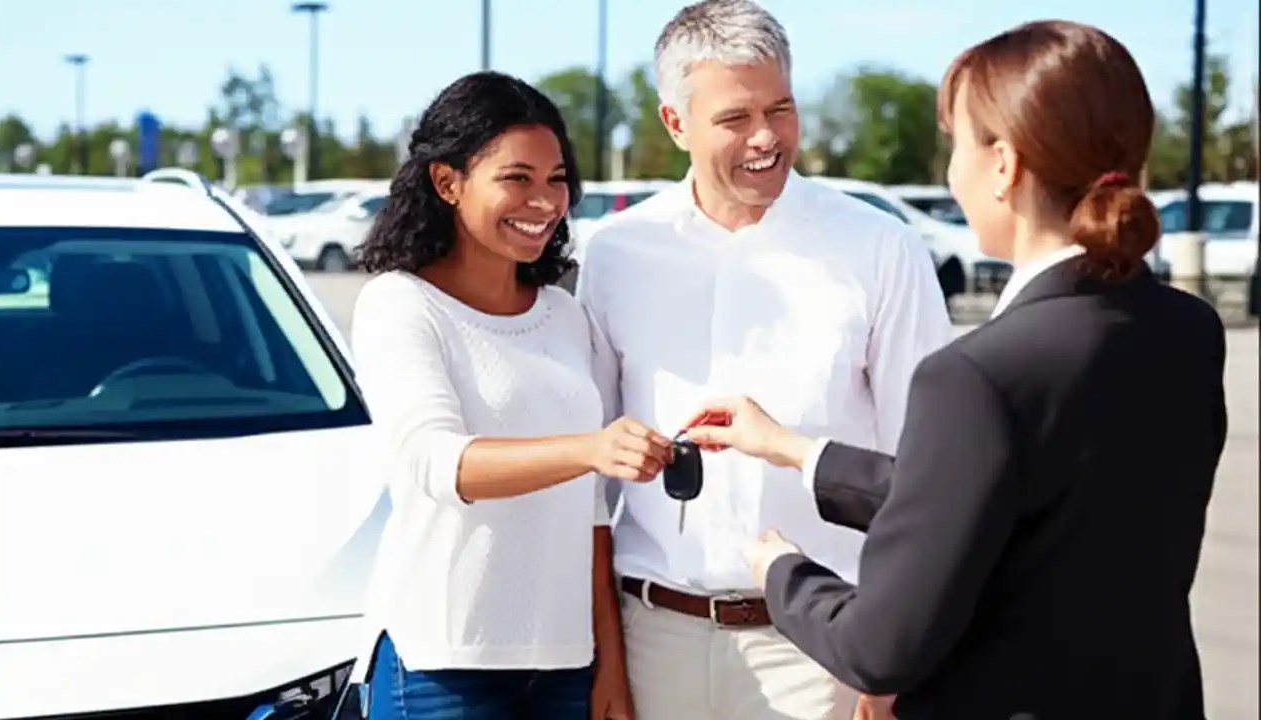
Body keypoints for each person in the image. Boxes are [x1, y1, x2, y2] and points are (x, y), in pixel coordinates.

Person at [682, 20, 1229, 720]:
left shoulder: (976, 375)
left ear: (1003, 165)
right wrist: (798, 451)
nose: (951, 171)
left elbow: (881, 647)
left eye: (958, 144)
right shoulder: (1187, 329)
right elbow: (1018, 502)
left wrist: (781, 572)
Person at [573, 1, 953, 718]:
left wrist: (890, 662)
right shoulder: (616, 253)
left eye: (781, 109)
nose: (766, 138)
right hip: (654, 639)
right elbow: (593, 482)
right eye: (734, 119)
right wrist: (608, 660)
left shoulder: (879, 248)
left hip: (825, 647)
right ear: (674, 123)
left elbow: (925, 471)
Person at [351, 71, 671, 720]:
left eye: (556, 180)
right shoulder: (400, 304)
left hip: (563, 666)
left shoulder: (563, 313)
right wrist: (590, 448)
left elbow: (590, 512)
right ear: (447, 182)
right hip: (439, 665)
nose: (545, 201)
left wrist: (607, 660)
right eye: (516, 177)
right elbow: (440, 465)